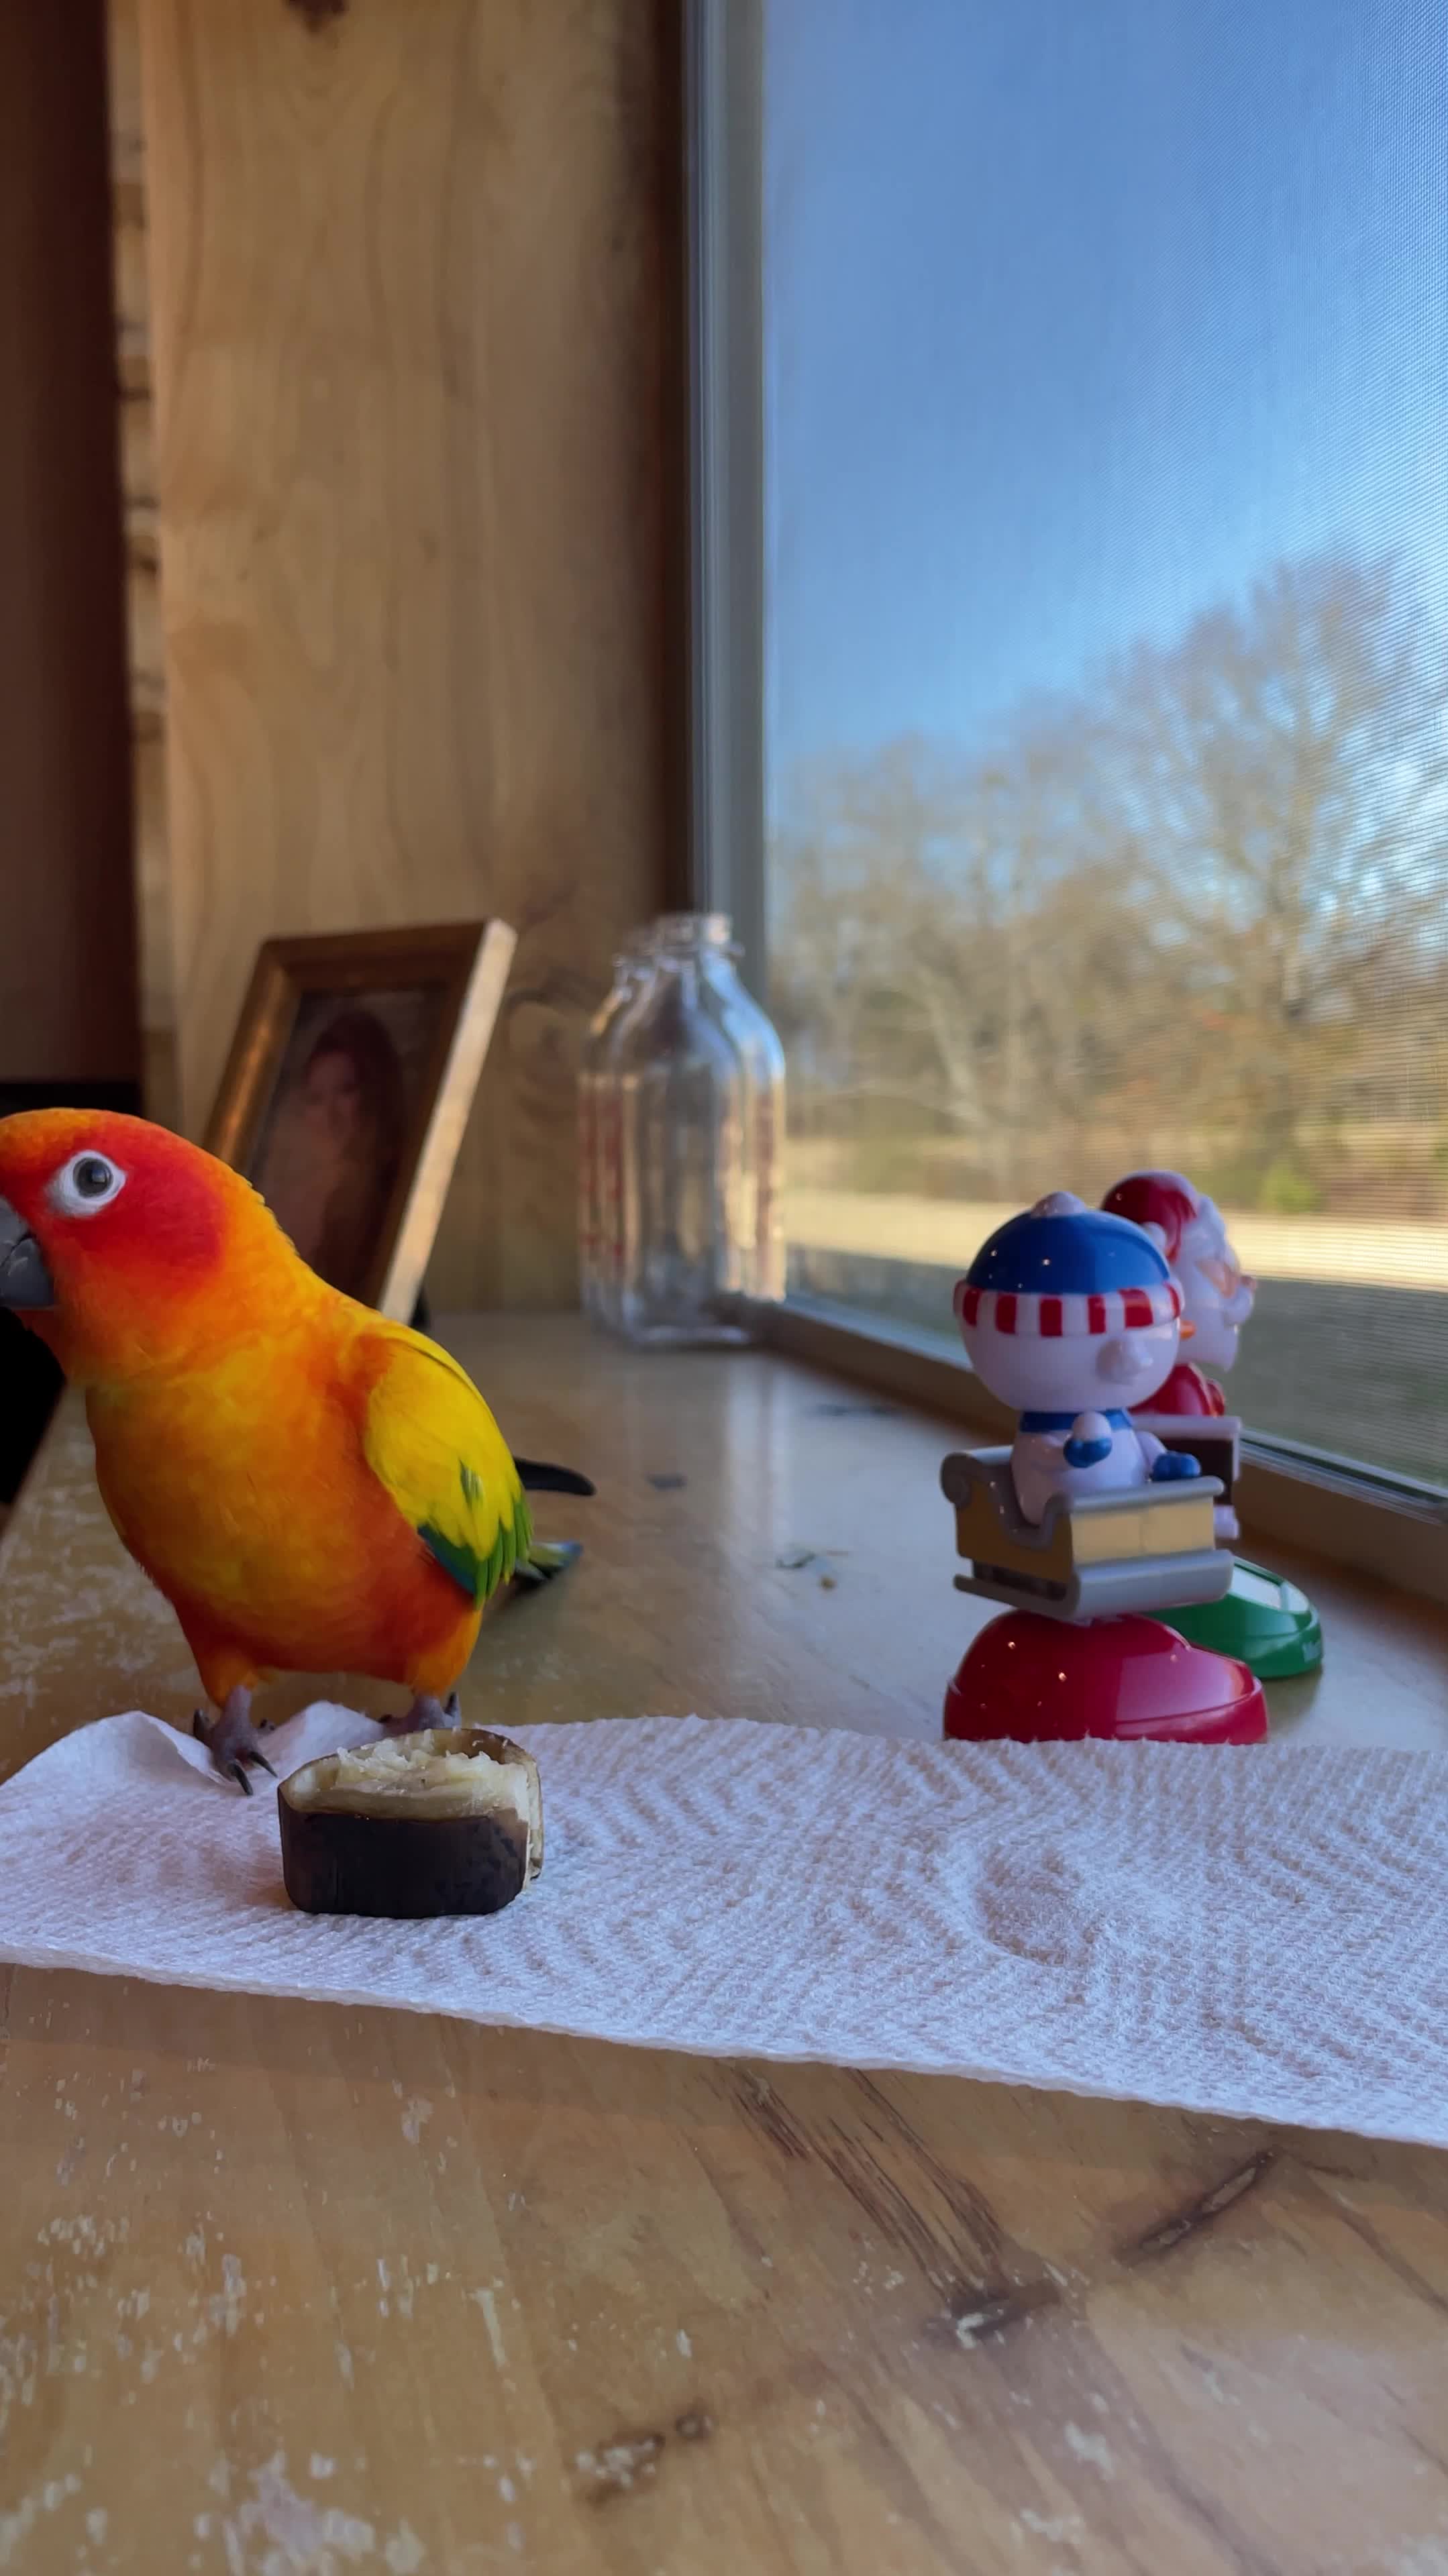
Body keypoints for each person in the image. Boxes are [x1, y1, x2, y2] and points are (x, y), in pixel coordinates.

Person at [256, 1006, 407, 1300]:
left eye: (346, 1090)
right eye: (316, 1099)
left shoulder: (396, 1193)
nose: (330, 1114)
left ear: (376, 1091)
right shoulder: (292, 1196)